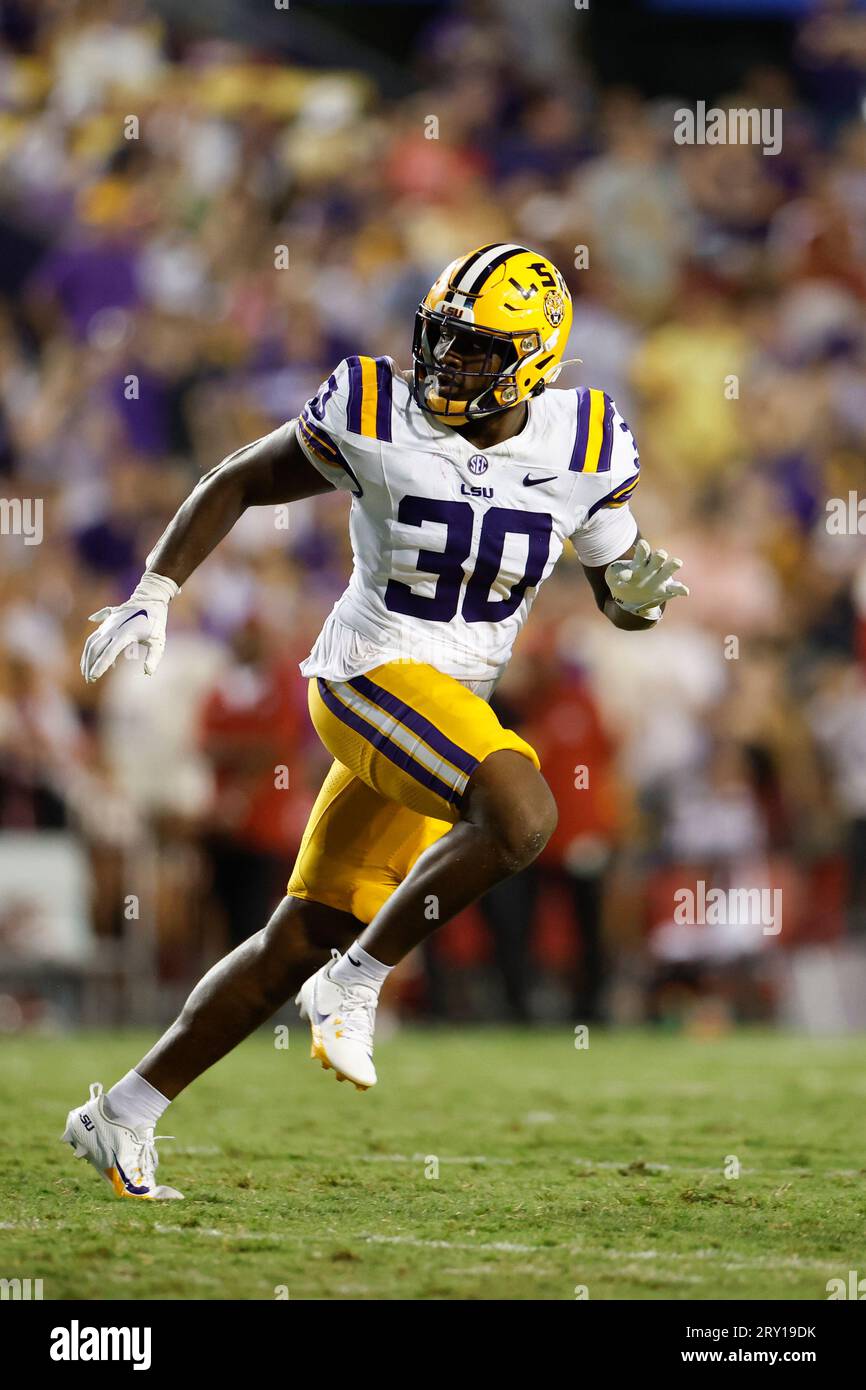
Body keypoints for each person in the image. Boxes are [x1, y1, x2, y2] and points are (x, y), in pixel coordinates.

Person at [63, 243, 688, 1198]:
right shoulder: (371, 407)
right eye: (438, 341)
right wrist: (156, 587)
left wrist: (638, 594)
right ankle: (356, 985)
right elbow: (238, 477)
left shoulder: (584, 441)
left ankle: (125, 1113)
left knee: (303, 930)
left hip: (446, 706)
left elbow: (619, 583)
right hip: (366, 673)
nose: (445, 366)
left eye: (474, 352)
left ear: (536, 360)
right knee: (520, 814)